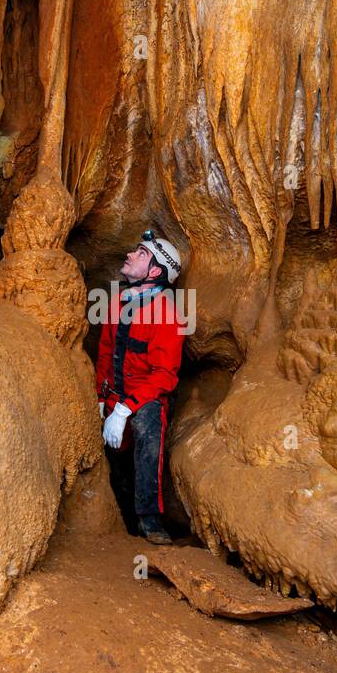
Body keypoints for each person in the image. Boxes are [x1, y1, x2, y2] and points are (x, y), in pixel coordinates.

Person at [95, 231, 185, 544]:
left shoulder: (167, 314)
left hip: (145, 398)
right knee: (112, 455)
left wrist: (125, 409)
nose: (132, 255)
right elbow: (106, 352)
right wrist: (101, 399)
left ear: (156, 271)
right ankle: (123, 522)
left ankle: (150, 521)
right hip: (116, 395)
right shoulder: (117, 302)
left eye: (142, 254)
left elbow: (164, 376)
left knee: (147, 426)